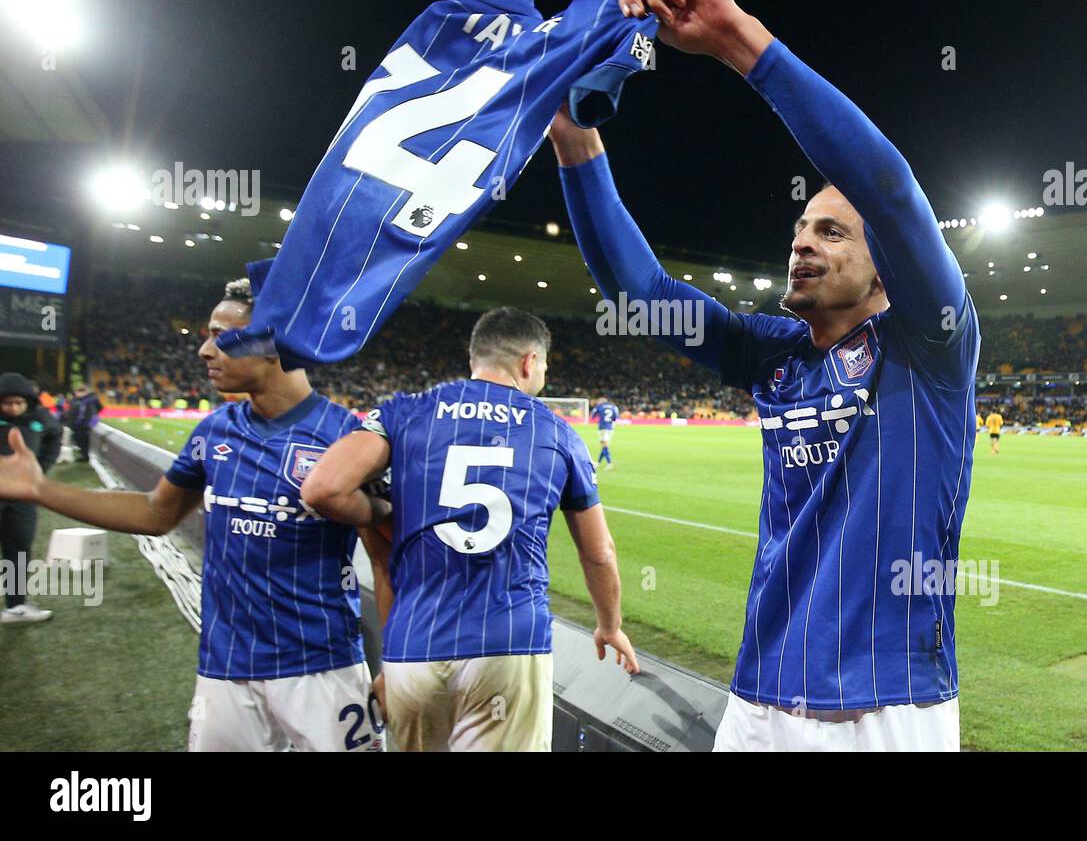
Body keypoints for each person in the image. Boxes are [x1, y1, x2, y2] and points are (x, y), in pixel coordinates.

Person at [549, 0, 978, 751]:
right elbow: (637, 289)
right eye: (798, 233)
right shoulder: (772, 352)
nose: (803, 244)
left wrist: (740, 43)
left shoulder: (930, 343)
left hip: (884, 707)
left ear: (888, 264)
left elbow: (886, 187)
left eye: (831, 231)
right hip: (759, 695)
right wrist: (575, 139)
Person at [0, 279, 384, 750]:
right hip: (225, 667)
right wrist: (40, 490)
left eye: (223, 335)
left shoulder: (347, 438)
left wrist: (397, 663)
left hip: (323, 666)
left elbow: (386, 560)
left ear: (275, 341)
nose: (205, 350)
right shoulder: (214, 431)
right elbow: (154, 512)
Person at [303, 306, 639, 751]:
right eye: (544, 363)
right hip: (509, 642)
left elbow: (323, 489)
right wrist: (609, 624)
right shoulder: (558, 434)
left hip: (415, 644)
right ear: (528, 361)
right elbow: (599, 553)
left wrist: (384, 513)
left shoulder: (405, 412)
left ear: (474, 357)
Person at [0, 373, 62, 625]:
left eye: (18, 403)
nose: (13, 408)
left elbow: (55, 436)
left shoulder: (40, 419)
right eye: (7, 403)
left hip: (23, 497)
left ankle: (16, 606)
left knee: (18, 550)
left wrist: (42, 467)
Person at [66, 384, 103, 461]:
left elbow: (99, 408)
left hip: (85, 423)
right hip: (79, 423)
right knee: (79, 438)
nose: (77, 393)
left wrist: (93, 417)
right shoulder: (79, 400)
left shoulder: (90, 400)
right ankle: (83, 453)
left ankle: (85, 455)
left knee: (84, 439)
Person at [590, 396, 619, 468]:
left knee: (605, 446)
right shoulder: (613, 407)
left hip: (603, 428)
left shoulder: (599, 406)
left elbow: (592, 415)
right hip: (610, 428)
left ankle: (609, 463)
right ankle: (598, 462)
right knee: (604, 446)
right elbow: (616, 417)